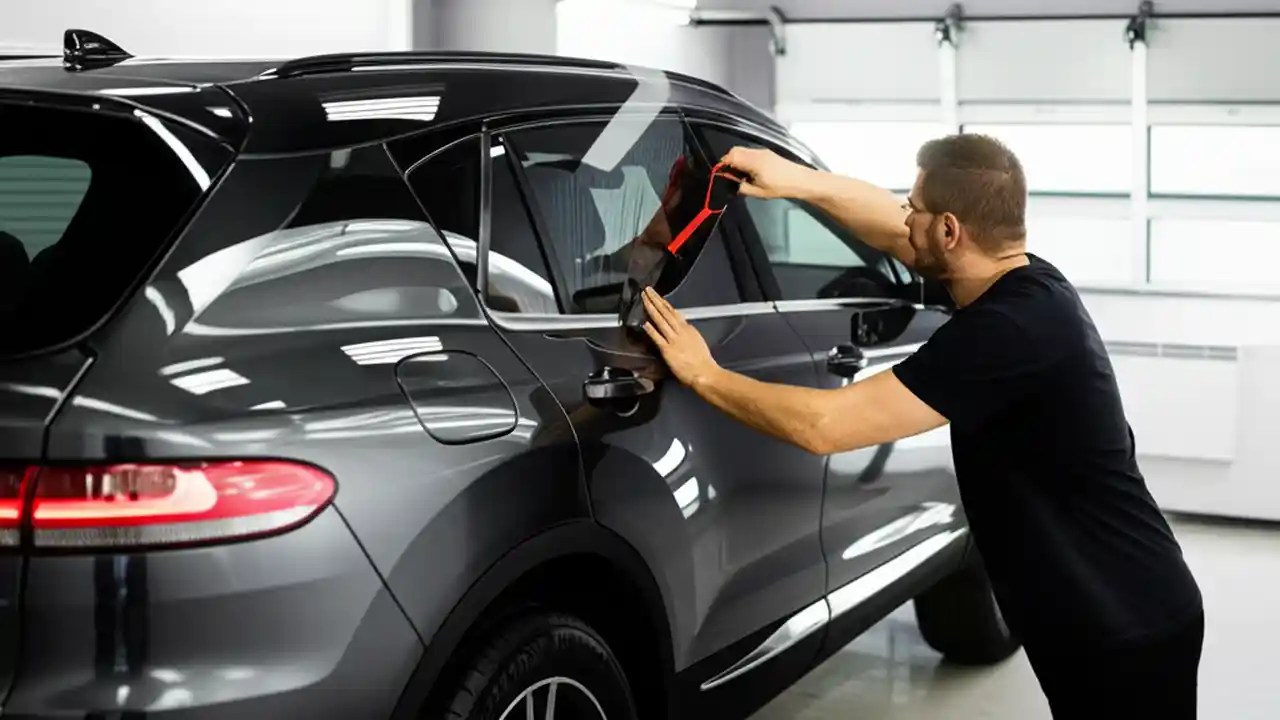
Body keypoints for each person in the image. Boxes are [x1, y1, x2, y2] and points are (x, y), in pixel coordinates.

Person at [638, 134, 1204, 719]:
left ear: (951, 230)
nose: (903, 219)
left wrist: (705, 374)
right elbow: (890, 228)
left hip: (1122, 627)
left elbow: (826, 426)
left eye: (915, 209)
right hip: (1117, 604)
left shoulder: (1004, 334)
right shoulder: (1022, 278)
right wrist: (792, 180)